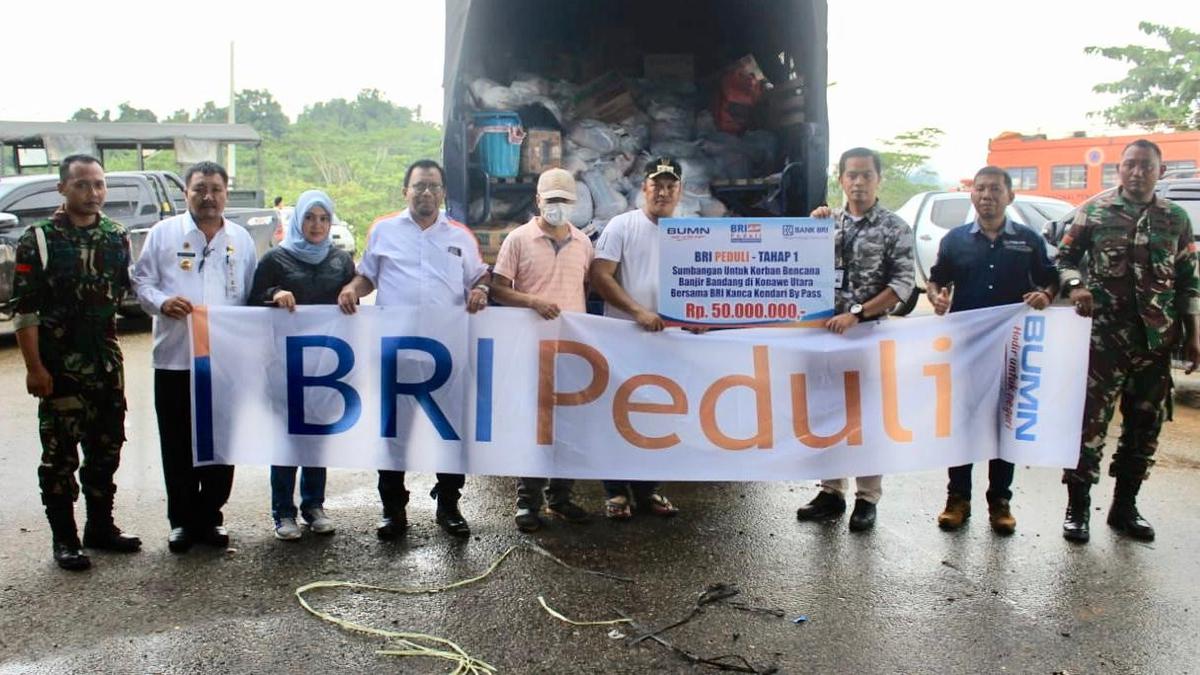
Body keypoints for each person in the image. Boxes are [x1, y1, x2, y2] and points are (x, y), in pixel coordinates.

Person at [1057, 139, 1200, 544]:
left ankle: (1124, 508)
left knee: (1144, 428)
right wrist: (1077, 285)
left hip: (1155, 343)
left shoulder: (1175, 218)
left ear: (1161, 171)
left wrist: (1193, 334)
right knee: (1088, 427)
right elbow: (1063, 259)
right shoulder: (1095, 211)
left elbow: (1189, 279)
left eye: (1146, 166)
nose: (1137, 173)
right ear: (1119, 169)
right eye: (1130, 165)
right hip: (1104, 343)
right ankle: (1077, 509)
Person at [337, 159, 489, 539]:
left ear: (443, 193)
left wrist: (480, 290)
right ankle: (392, 509)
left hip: (447, 354)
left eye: (434, 186)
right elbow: (367, 276)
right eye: (419, 185)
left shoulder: (460, 236)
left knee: (450, 431)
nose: (426, 192)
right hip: (396, 353)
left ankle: (450, 506)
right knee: (393, 434)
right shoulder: (384, 230)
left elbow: (480, 277)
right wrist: (352, 290)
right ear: (405, 191)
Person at [12, 154, 142, 570]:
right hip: (60, 369)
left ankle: (100, 528)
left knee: (107, 449)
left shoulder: (115, 236)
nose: (93, 193)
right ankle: (65, 539)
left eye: (99, 184)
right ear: (62, 189)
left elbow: (122, 296)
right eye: (83, 185)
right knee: (60, 456)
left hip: (105, 366)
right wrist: (35, 368)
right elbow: (25, 310)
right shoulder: (41, 239)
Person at [132, 161, 257, 553]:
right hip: (176, 359)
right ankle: (182, 522)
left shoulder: (241, 240)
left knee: (222, 443)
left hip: (224, 364)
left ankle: (210, 516)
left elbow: (253, 296)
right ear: (186, 193)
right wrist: (161, 302)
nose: (208, 197)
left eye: (216, 189)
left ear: (226, 193)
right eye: (200, 189)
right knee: (178, 443)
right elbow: (141, 280)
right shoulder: (164, 234)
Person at [925, 166, 1058, 535]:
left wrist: (1046, 294)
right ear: (972, 195)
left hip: (1011, 348)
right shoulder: (954, 240)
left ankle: (1000, 502)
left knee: (1004, 424)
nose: (987, 196)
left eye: (995, 189)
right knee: (963, 423)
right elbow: (938, 277)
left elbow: (1051, 277)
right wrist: (937, 294)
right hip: (965, 348)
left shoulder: (1029, 241)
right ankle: (957, 499)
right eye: (981, 189)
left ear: (1010, 196)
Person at [795, 147, 915, 532]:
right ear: (841, 180)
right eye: (851, 175)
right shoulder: (827, 223)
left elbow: (902, 284)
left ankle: (867, 498)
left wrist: (858, 313)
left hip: (867, 334)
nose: (858, 182)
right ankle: (831, 491)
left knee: (866, 420)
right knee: (826, 413)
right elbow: (796, 268)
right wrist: (810, 227)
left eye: (866, 175)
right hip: (825, 338)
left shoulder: (895, 228)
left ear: (878, 179)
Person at [490, 168, 594, 532]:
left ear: (575, 204)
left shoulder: (583, 243)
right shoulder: (518, 240)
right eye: (552, 200)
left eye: (565, 201)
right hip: (531, 348)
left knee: (570, 426)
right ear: (538, 200)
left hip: (572, 350)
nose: (558, 207)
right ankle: (526, 503)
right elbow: (498, 289)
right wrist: (533, 301)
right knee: (534, 426)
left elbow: (584, 289)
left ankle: (561, 498)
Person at [248, 190, 355, 540]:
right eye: (310, 217)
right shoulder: (276, 260)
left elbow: (351, 296)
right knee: (286, 436)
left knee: (315, 436)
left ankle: (313, 505)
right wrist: (273, 295)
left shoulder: (340, 261)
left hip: (326, 364)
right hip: (283, 362)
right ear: (298, 220)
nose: (317, 225)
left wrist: (351, 290)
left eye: (324, 218)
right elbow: (252, 300)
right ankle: (283, 511)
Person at [589, 157, 684, 520]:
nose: (662, 191)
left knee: (659, 416)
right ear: (643, 188)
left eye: (670, 185)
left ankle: (648, 491)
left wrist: (701, 319)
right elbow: (601, 276)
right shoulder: (622, 226)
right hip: (625, 339)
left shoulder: (689, 232)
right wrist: (637, 312)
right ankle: (616, 493)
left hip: (670, 343)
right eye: (656, 184)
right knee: (619, 415)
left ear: (680, 190)